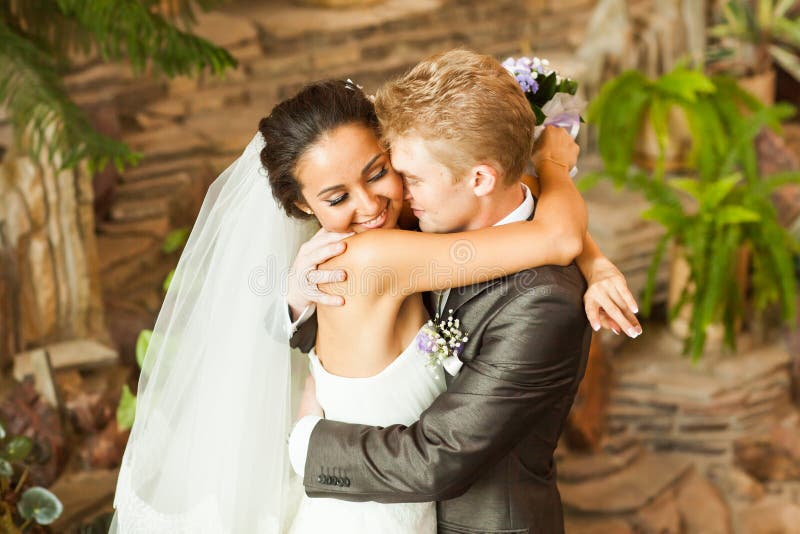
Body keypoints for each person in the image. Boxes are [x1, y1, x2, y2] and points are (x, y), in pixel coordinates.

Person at [109, 52, 638, 534]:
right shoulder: (378, 247)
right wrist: (555, 171)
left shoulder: (434, 235)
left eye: (384, 172)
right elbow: (554, 234)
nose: (377, 203)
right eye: (338, 196)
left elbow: (547, 232)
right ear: (302, 208)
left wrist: (594, 259)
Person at [284, 50, 639, 534]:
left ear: (479, 179)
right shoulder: (427, 215)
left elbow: (435, 460)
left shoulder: (545, 301)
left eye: (406, 178)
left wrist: (308, 447)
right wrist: (297, 302)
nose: (391, 198)